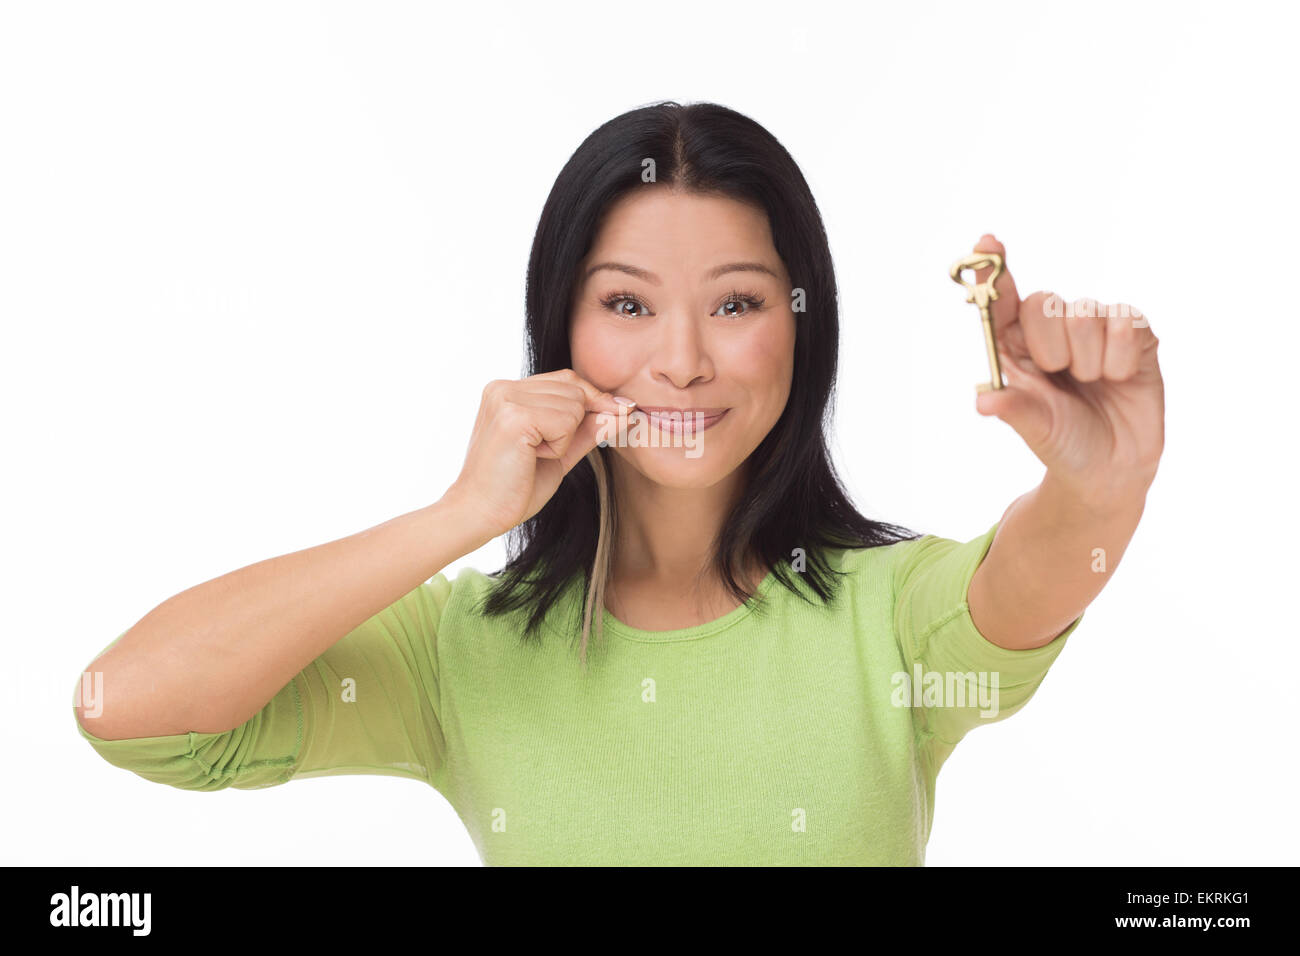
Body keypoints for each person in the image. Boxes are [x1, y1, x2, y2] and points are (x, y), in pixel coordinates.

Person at [72, 100, 1164, 865]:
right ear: (561, 330)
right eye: (628, 305)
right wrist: (461, 514)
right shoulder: (461, 649)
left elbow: (1039, 565)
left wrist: (1107, 482)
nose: (682, 358)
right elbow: (129, 709)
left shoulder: (896, 618)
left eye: (735, 303)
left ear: (799, 327)